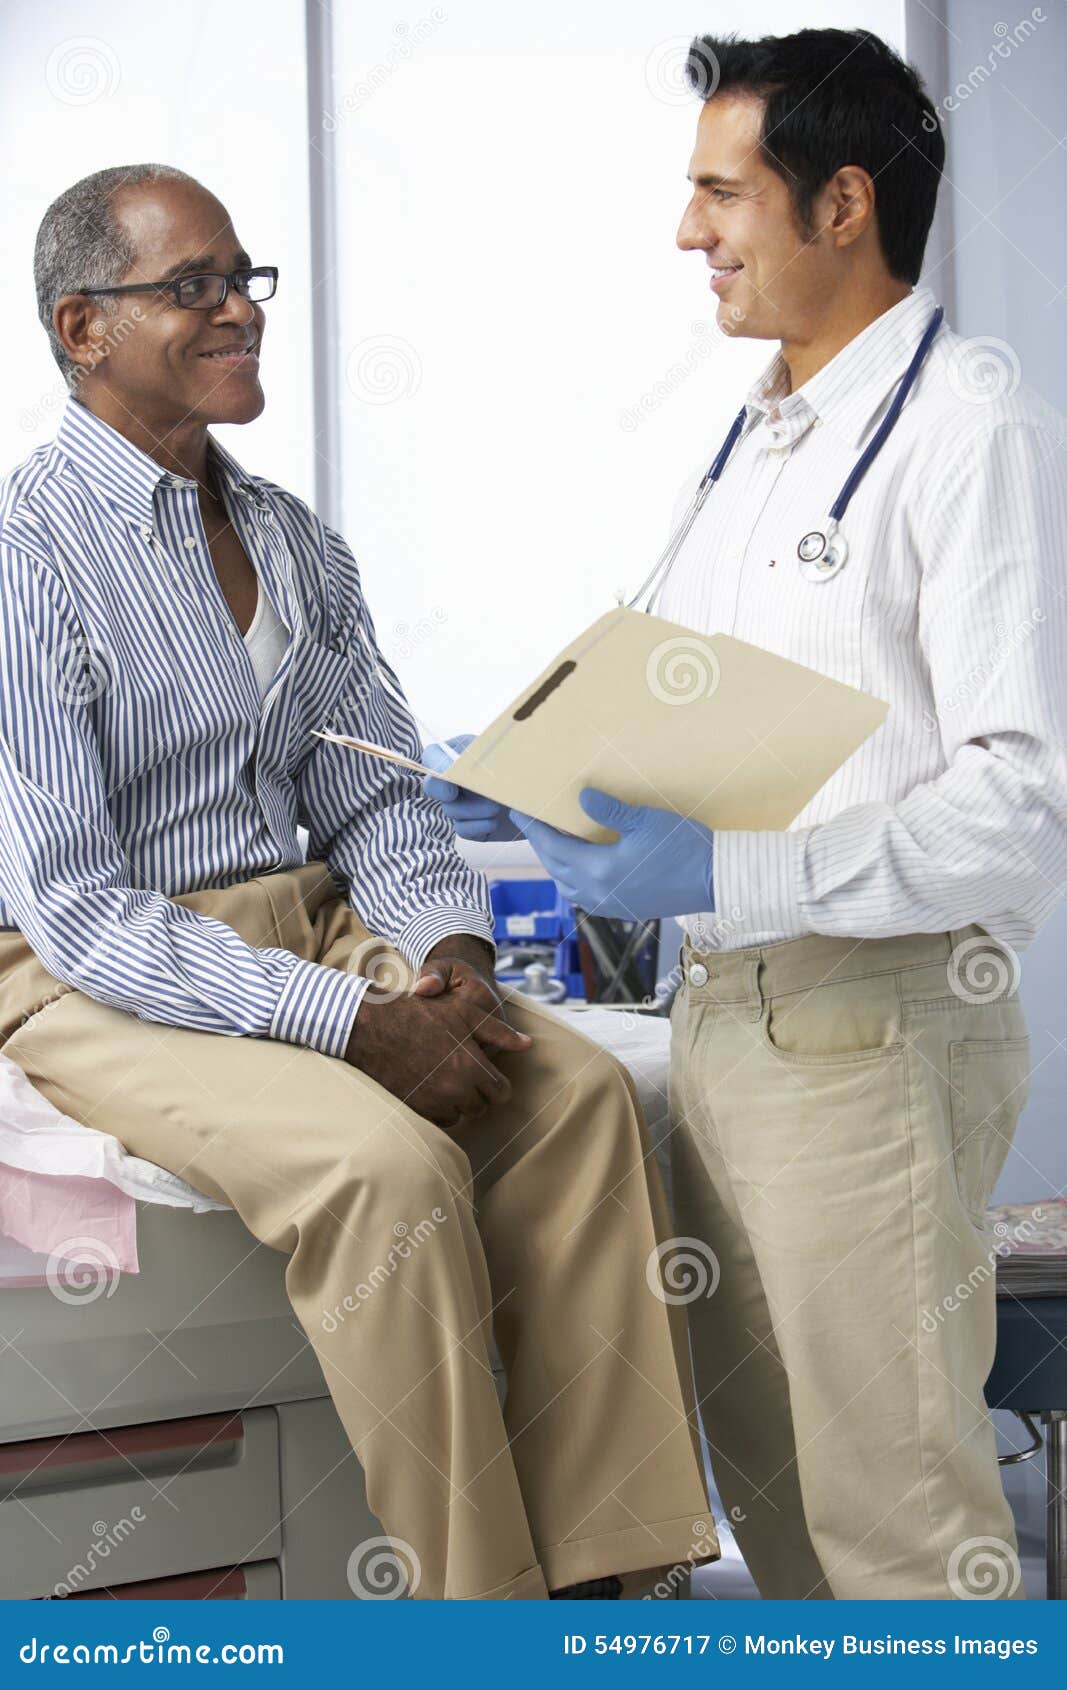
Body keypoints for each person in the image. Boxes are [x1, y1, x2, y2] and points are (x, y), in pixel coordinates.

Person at [0, 163, 719, 1601]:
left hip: (313, 921)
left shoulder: (291, 539)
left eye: (244, 279)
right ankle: (475, 1613)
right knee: (388, 1169)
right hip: (100, 968)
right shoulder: (28, 556)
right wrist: (352, 1024)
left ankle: (611, 1577)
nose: (240, 310)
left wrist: (449, 957)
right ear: (84, 326)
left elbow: (374, 792)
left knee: (575, 1095)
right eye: (192, 286)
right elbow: (75, 901)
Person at [425, 28, 1067, 1600]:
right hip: (724, 1018)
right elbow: (704, 711)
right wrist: (539, 763)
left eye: (722, 193)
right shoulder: (756, 439)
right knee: (777, 1516)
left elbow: (1026, 799)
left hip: (876, 1022)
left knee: (897, 1528)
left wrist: (736, 863)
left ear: (842, 204)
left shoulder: (970, 429)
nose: (686, 231)